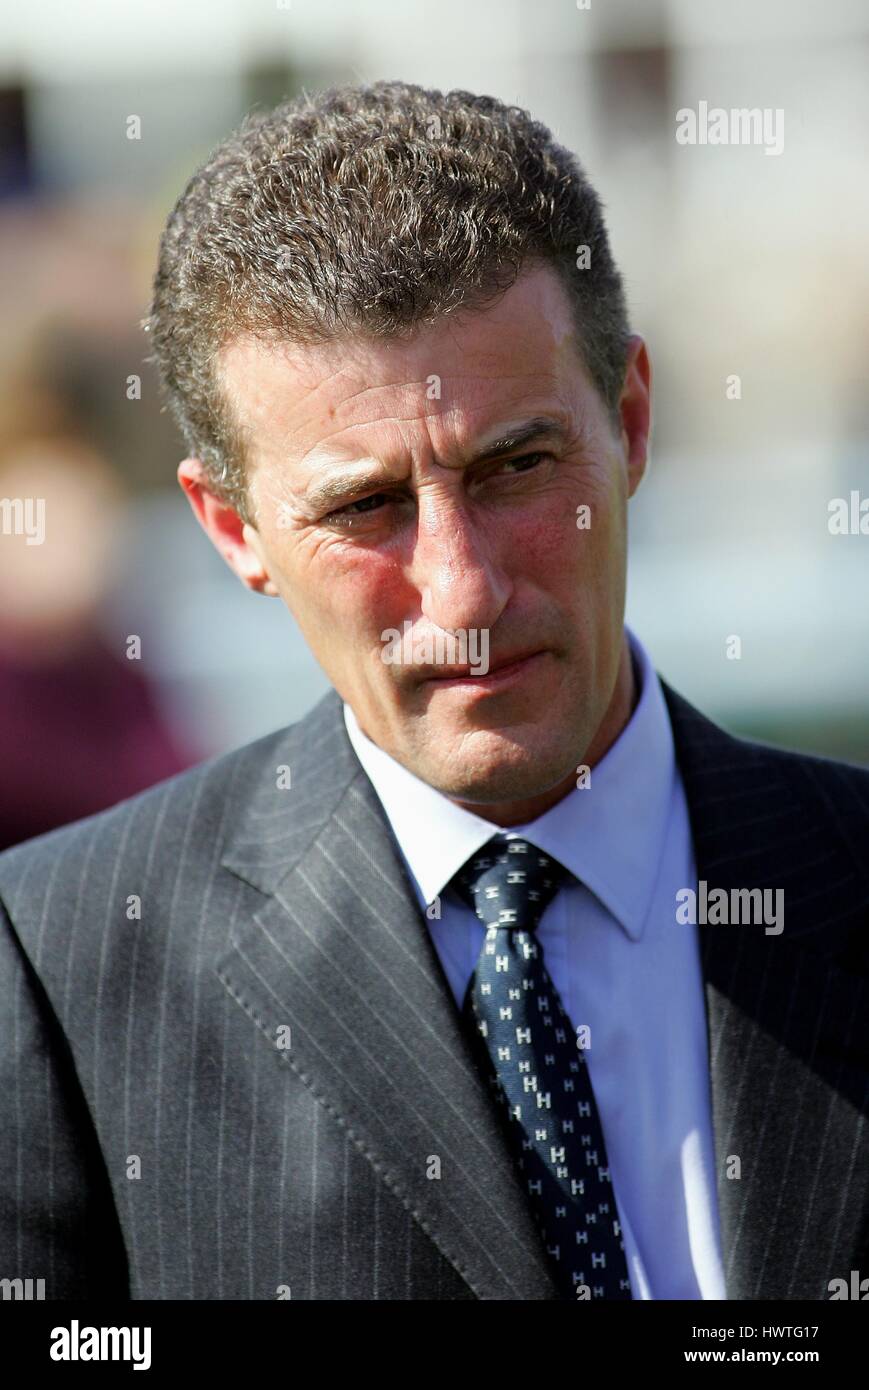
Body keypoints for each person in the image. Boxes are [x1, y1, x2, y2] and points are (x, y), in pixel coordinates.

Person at [1, 80, 867, 1303]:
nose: (462, 597)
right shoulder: (62, 969)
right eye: (364, 508)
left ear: (628, 420)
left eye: (516, 465)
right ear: (231, 527)